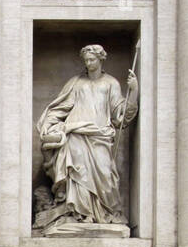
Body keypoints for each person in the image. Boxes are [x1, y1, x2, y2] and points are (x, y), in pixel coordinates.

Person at [36, 44, 137, 230]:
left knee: (106, 176)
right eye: (86, 60)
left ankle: (106, 214)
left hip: (100, 135)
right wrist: (49, 124)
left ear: (101, 59)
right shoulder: (76, 83)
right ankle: (79, 214)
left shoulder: (111, 83)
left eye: (92, 60)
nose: (89, 63)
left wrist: (134, 91)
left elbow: (121, 116)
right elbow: (60, 107)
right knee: (77, 174)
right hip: (76, 134)